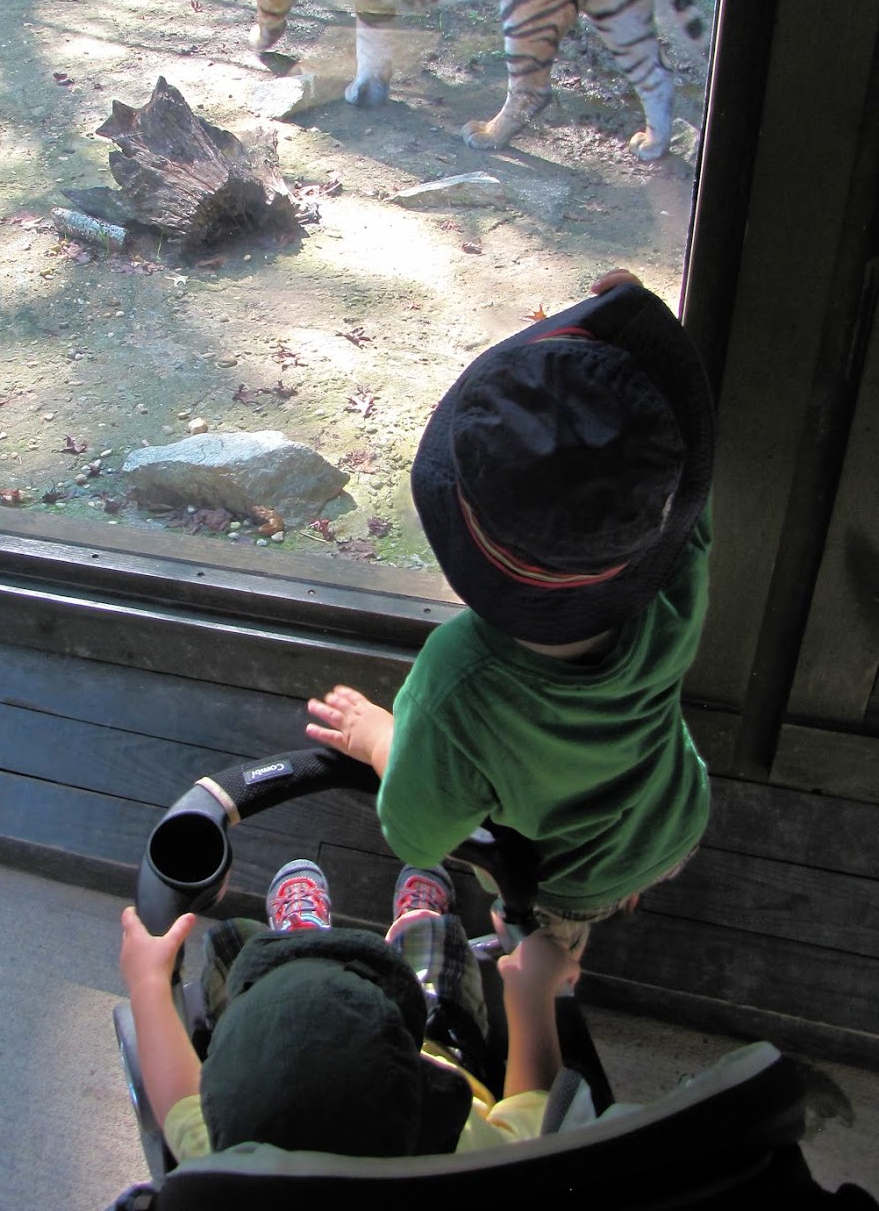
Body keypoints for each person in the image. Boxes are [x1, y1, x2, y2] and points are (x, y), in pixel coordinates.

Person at [306, 271, 716, 957]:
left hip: (565, 878)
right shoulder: (678, 565)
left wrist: (382, 736)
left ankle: (554, 968)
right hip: (677, 814)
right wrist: (623, 356)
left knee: (542, 955)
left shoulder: (458, 682)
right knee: (628, 843)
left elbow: (418, 836)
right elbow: (659, 476)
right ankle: (632, 875)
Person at [119, 857, 579, 1162]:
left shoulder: (236, 1155)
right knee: (436, 953)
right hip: (437, 1045)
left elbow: (176, 1098)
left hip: (260, 1034)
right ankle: (414, 922)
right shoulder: (463, 1147)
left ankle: (299, 938)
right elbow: (534, 1112)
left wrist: (147, 983)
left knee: (234, 942)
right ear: (429, 1092)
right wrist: (531, 993)